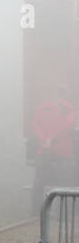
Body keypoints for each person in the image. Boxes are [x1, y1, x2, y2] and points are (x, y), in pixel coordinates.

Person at [31, 83, 76, 213]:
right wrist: (52, 138)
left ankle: (36, 211)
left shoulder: (42, 107)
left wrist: (44, 139)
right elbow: (69, 125)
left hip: (43, 149)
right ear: (64, 93)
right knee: (65, 182)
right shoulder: (68, 107)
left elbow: (34, 126)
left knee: (39, 180)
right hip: (63, 151)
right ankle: (63, 211)